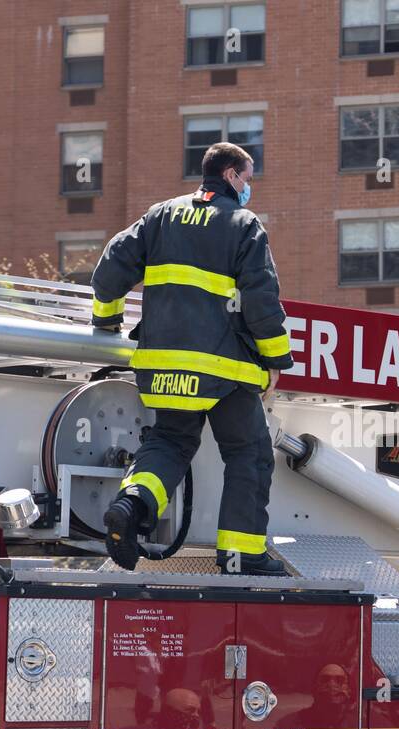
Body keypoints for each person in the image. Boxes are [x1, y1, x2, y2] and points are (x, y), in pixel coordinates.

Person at [89, 142, 292, 575]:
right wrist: (277, 359)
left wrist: (107, 324)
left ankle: (131, 506)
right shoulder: (243, 223)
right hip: (222, 372)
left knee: (170, 444)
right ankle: (241, 556)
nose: (249, 188)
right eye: (248, 179)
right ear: (232, 175)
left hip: (162, 370)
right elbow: (261, 300)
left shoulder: (160, 215)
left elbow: (108, 272)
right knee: (249, 453)